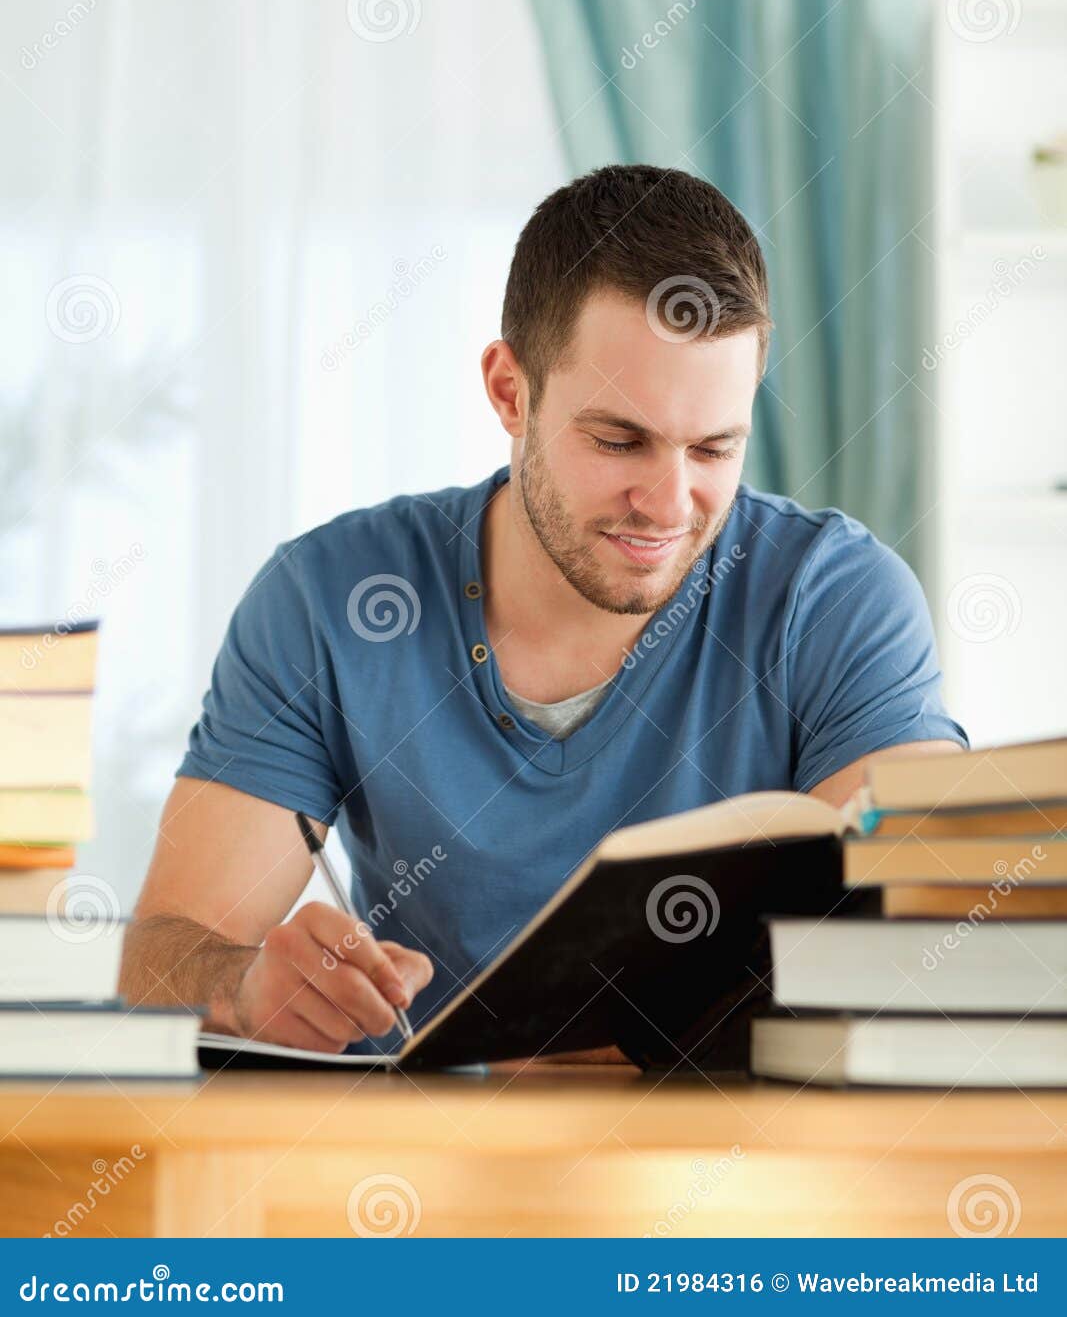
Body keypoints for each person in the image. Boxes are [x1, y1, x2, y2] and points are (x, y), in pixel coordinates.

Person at [119, 164, 967, 1058]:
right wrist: (242, 987)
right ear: (508, 392)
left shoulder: (834, 597)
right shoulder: (331, 599)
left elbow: (910, 934)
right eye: (618, 440)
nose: (670, 503)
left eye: (714, 447)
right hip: (416, 1167)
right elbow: (158, 956)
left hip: (737, 1172)